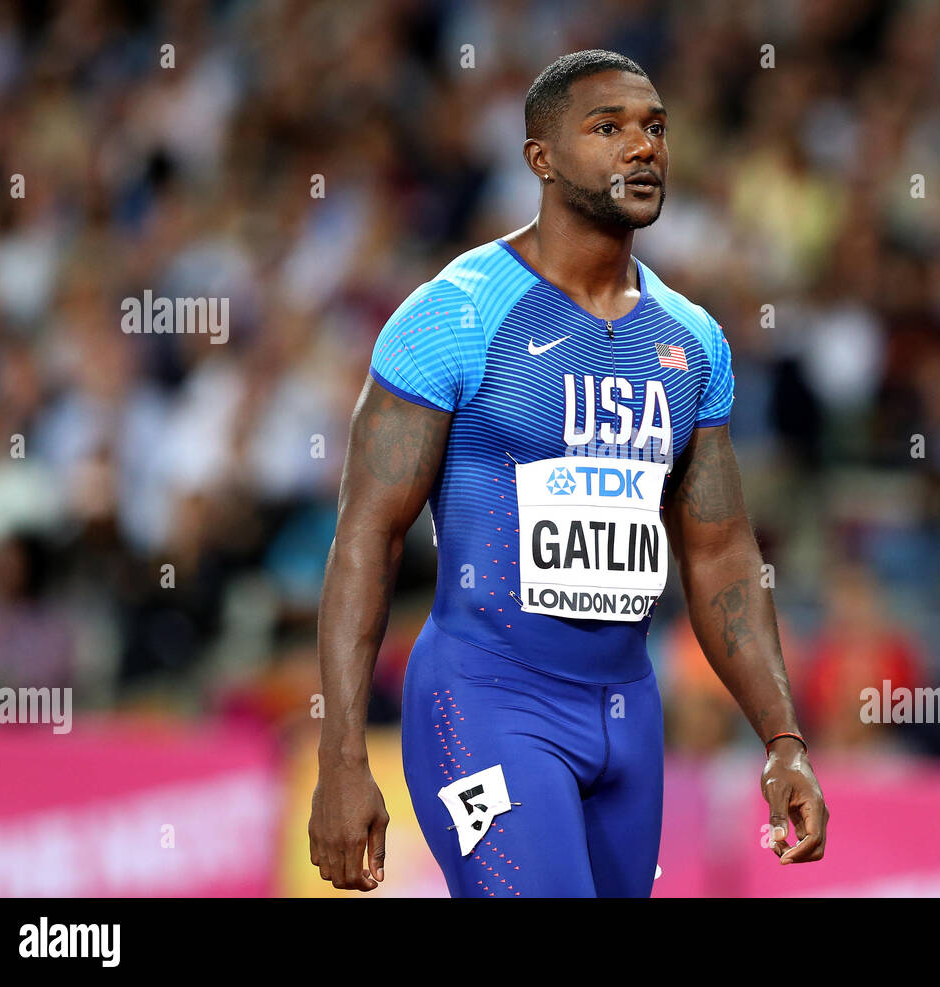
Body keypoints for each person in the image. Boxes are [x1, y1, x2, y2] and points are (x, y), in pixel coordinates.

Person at [309, 49, 827, 897]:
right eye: (609, 128)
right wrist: (341, 755)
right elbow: (366, 535)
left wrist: (782, 741)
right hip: (485, 701)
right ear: (540, 159)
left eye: (655, 128)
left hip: (628, 718)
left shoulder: (692, 342)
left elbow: (723, 552)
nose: (643, 147)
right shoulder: (457, 313)